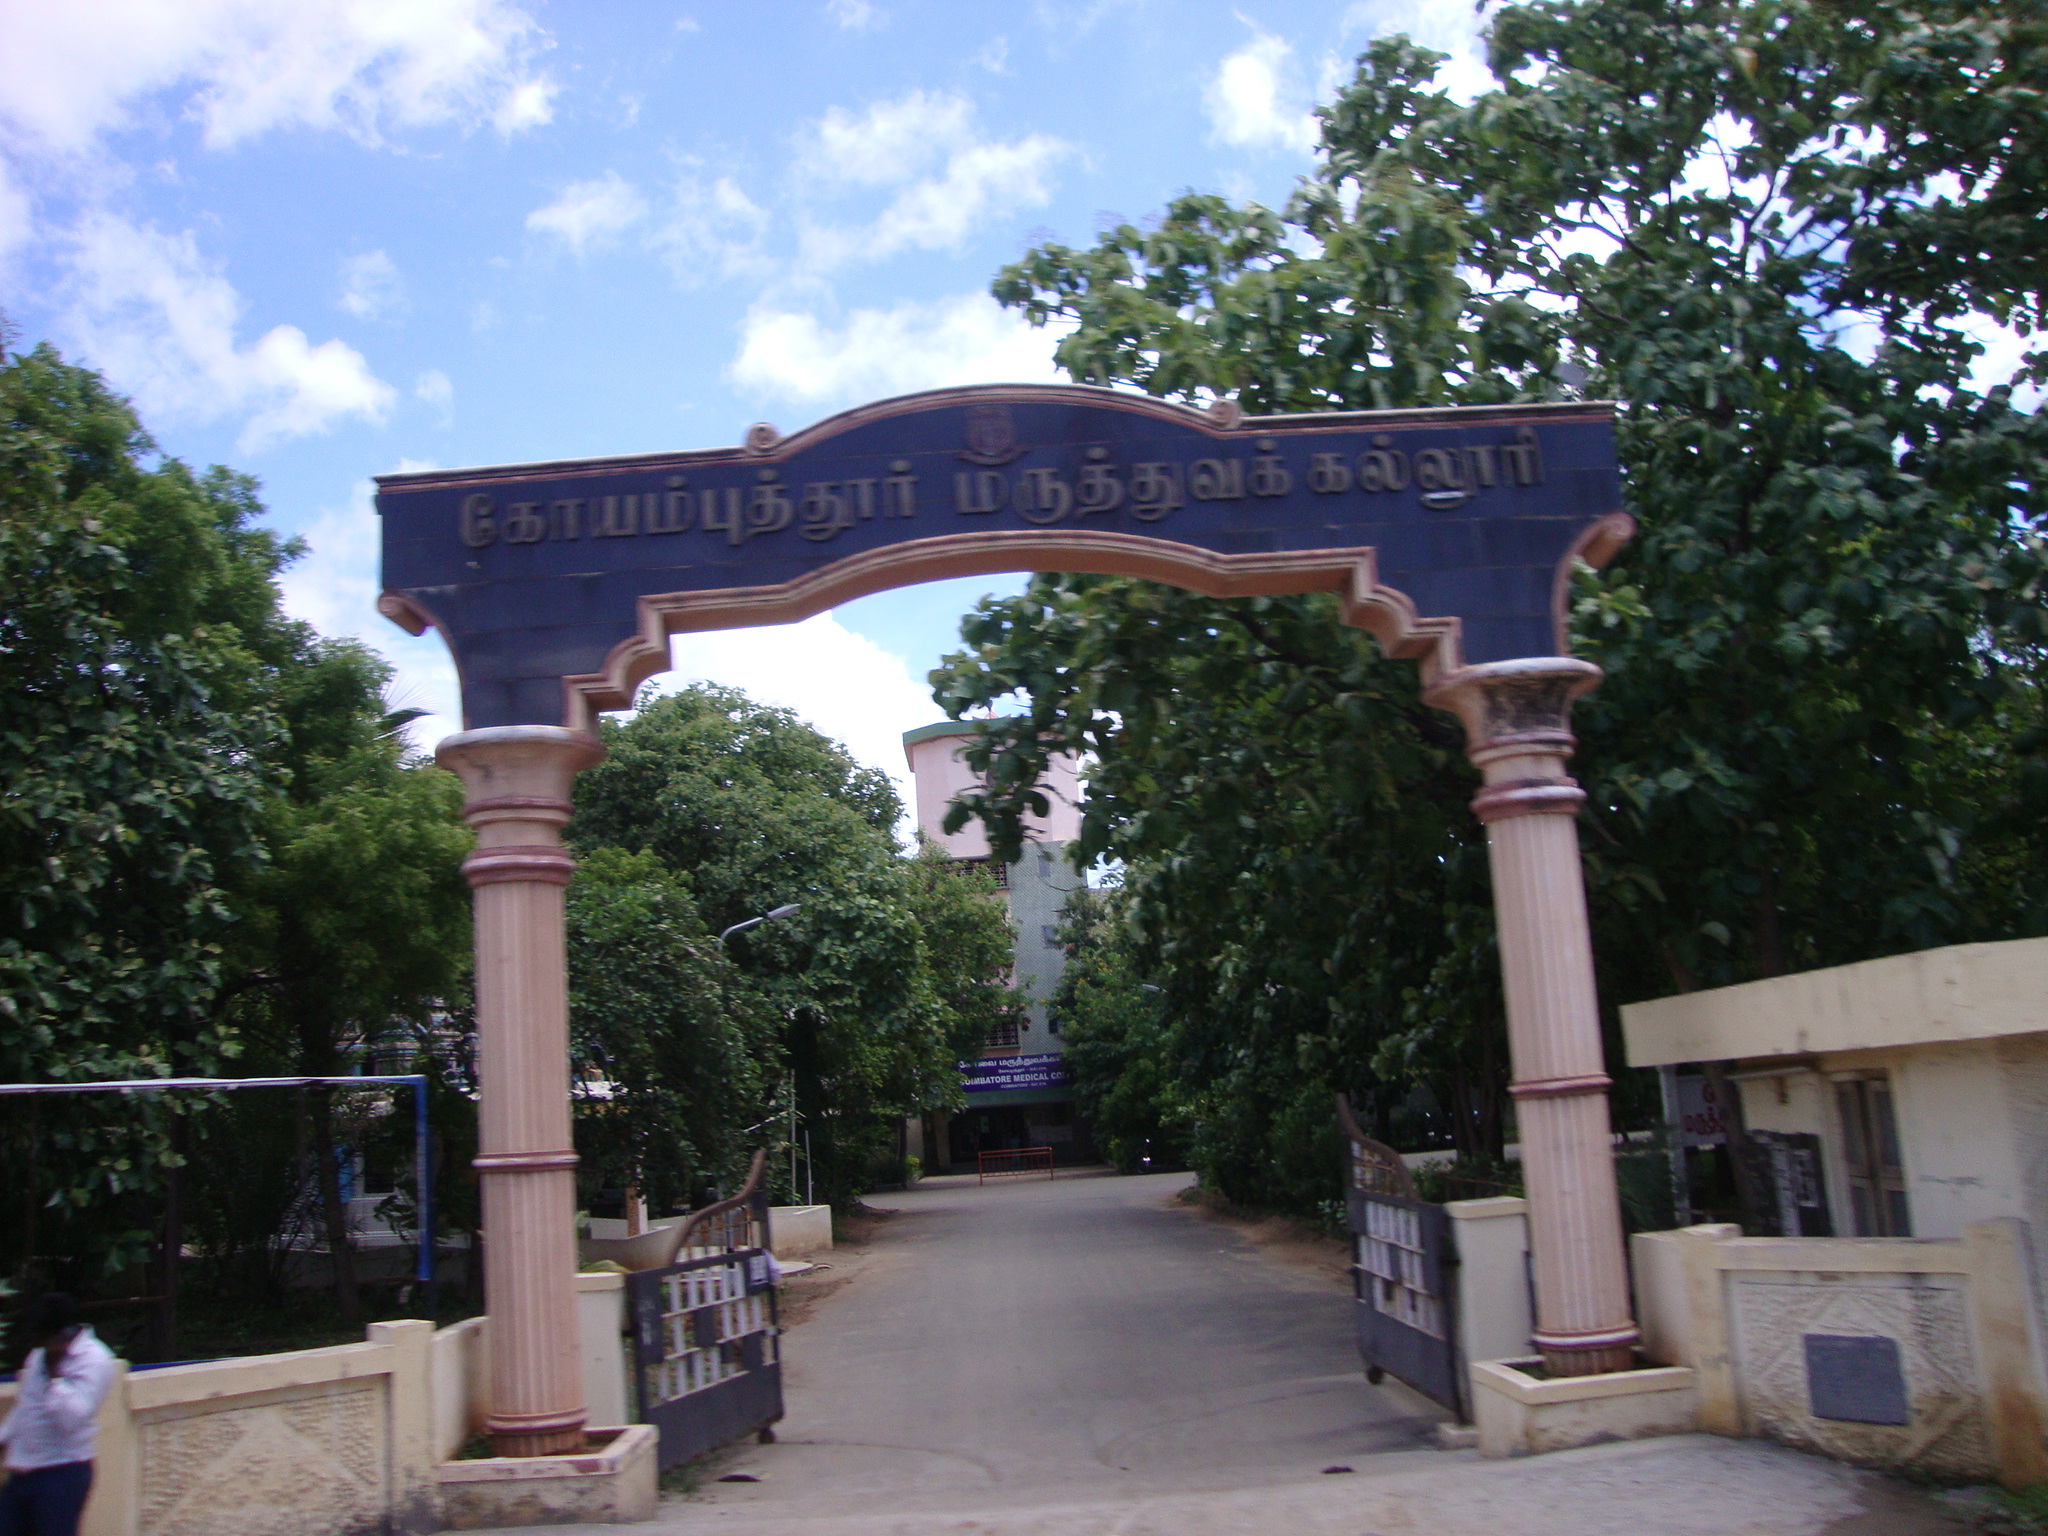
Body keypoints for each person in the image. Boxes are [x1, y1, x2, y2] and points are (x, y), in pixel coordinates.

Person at [0, 1295, 118, 1536]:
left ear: (63, 1333)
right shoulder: (37, 1357)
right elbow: (26, 1406)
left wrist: (55, 1376)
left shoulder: (95, 1360)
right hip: (23, 1472)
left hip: (61, 1474)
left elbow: (72, 1420)